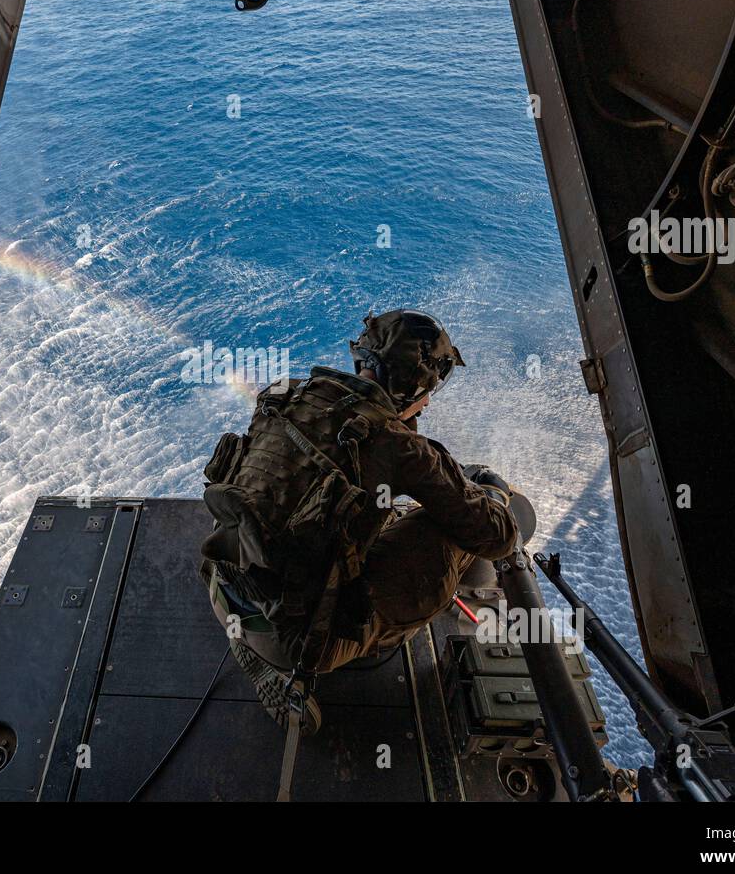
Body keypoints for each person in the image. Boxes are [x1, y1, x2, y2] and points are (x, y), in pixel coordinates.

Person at [198, 309, 518, 735]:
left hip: (224, 586)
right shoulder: (398, 445)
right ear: (416, 385)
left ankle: (251, 638)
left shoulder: (285, 395)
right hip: (300, 641)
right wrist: (492, 493)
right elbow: (497, 537)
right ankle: (292, 657)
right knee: (450, 535)